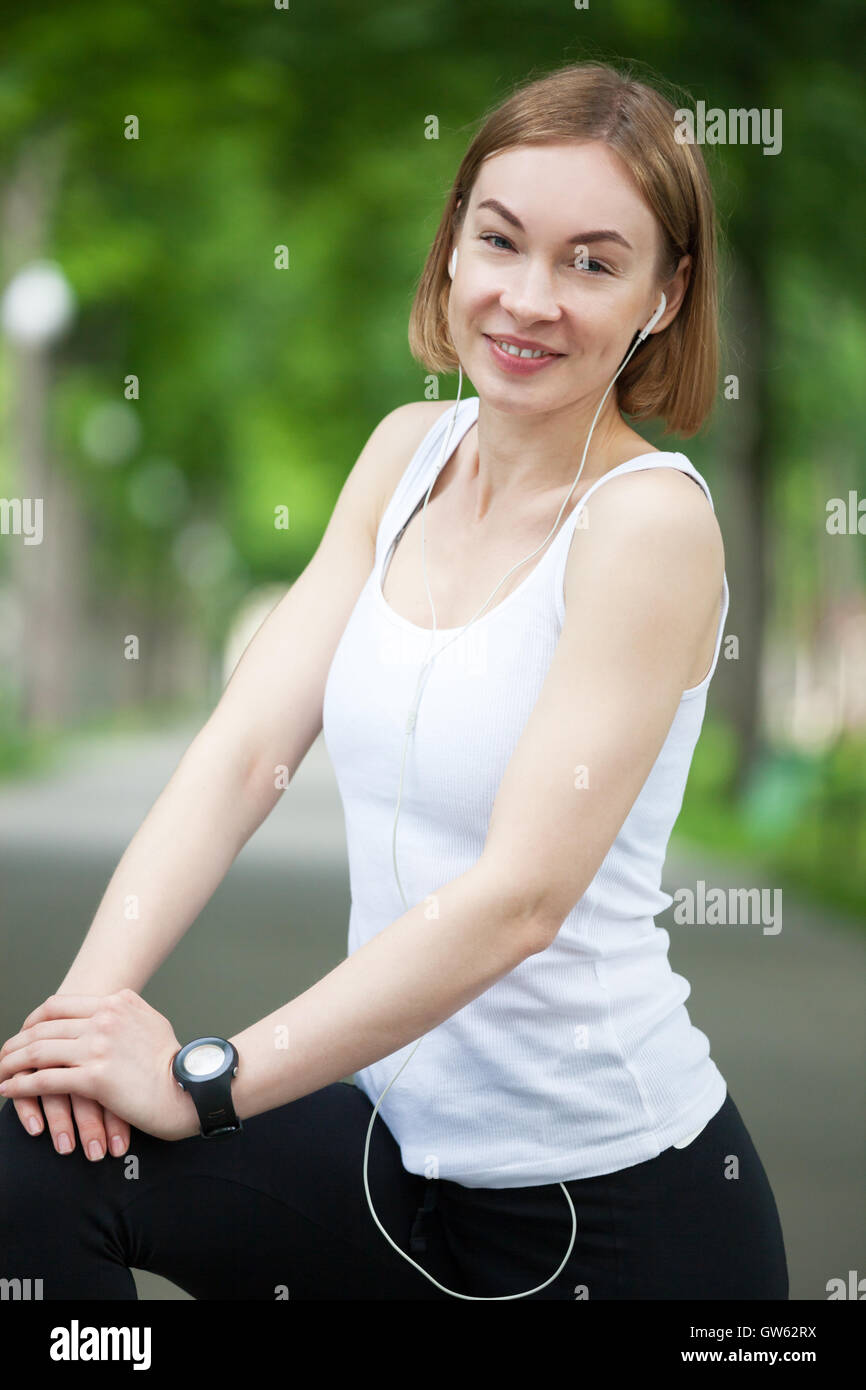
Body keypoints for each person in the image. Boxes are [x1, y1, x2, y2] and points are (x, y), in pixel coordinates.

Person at [0, 58, 788, 1300]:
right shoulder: (404, 454)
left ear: (662, 293)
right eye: (500, 241)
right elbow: (242, 749)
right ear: (452, 246)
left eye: (590, 261)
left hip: (610, 1218)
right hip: (399, 1168)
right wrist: (78, 1025)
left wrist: (201, 1082)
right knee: (37, 1160)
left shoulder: (647, 527)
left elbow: (518, 900)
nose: (526, 299)